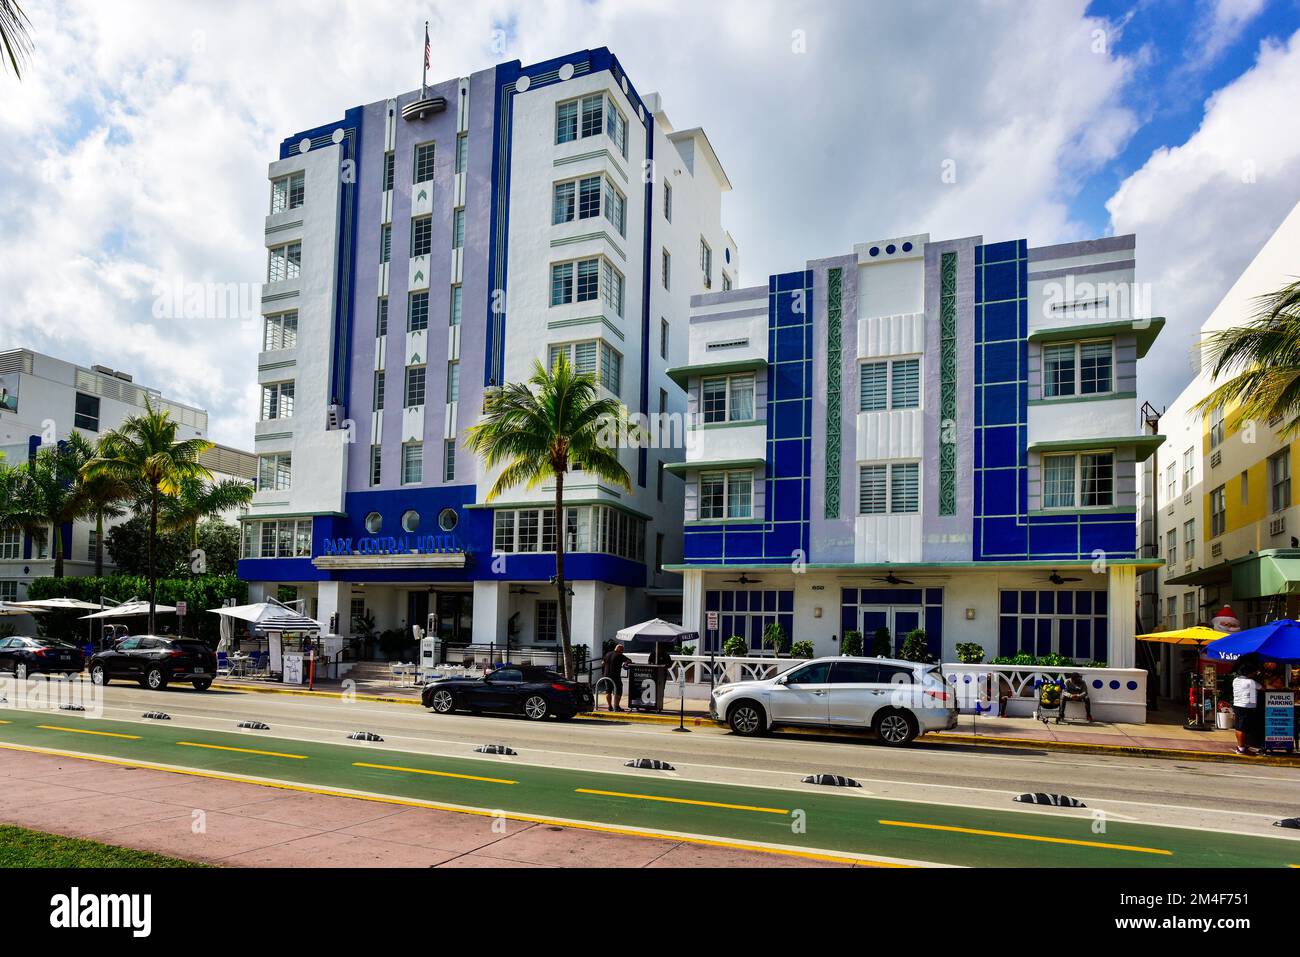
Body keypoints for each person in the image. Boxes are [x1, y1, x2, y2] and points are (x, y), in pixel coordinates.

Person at [1232, 660, 1263, 755]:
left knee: (1239, 727)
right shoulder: (1250, 682)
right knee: (1242, 728)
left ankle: (1241, 746)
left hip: (1237, 705)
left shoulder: (1235, 680)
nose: (1254, 674)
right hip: (1246, 707)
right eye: (1253, 672)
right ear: (1249, 673)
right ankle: (1241, 749)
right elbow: (1263, 688)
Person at [602, 642, 631, 712]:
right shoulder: (620, 655)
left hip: (606, 675)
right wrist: (625, 664)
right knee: (618, 690)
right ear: (620, 650)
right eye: (622, 650)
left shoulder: (608, 654)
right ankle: (617, 706)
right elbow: (629, 660)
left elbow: (602, 663)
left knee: (608, 691)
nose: (622, 651)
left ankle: (610, 706)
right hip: (615, 676)